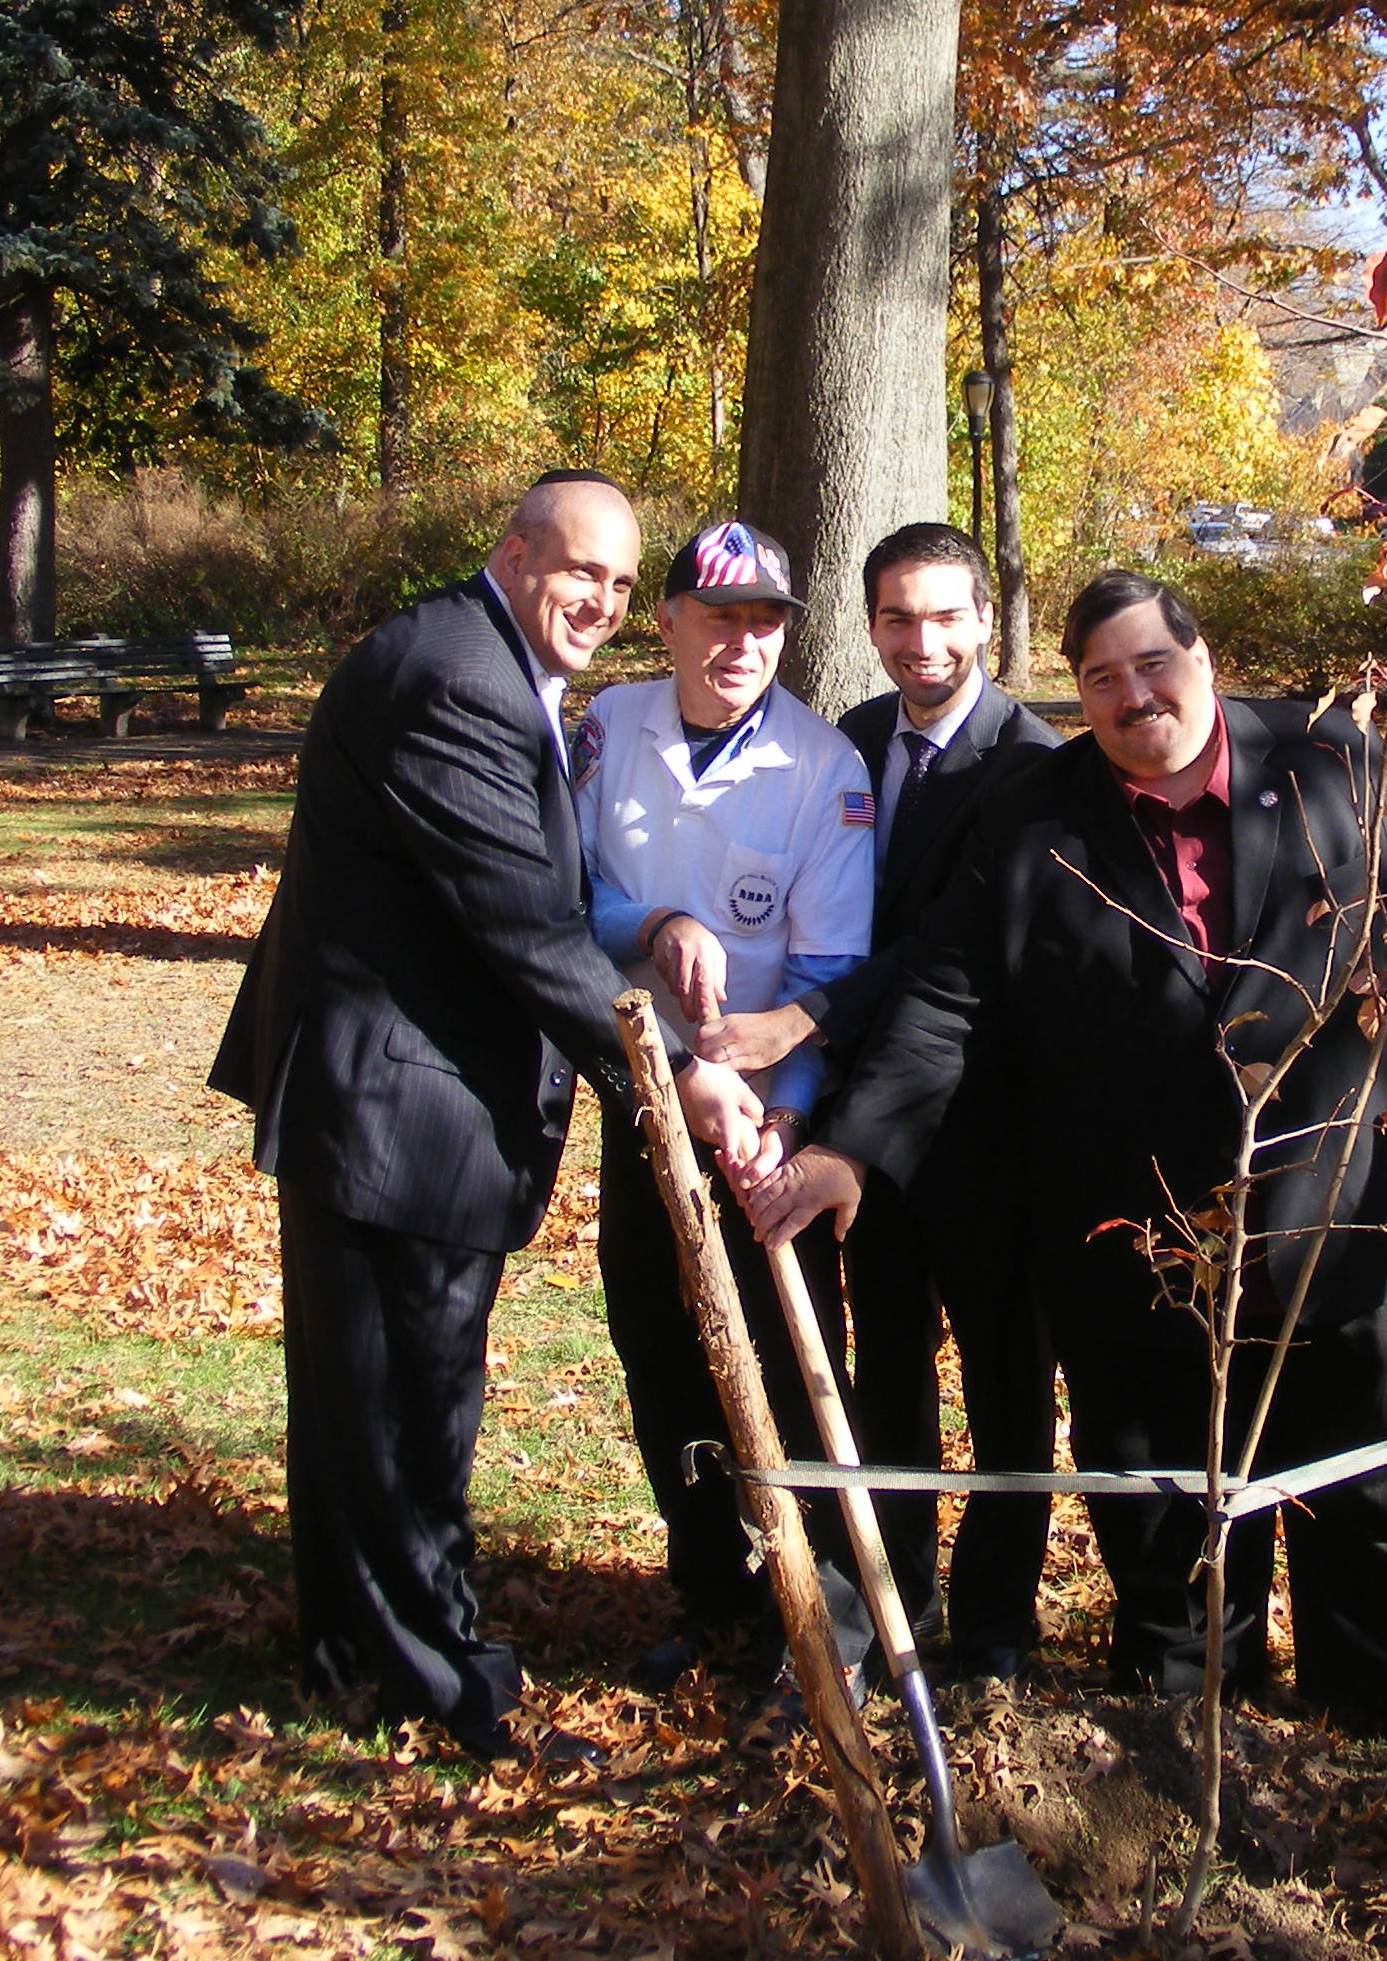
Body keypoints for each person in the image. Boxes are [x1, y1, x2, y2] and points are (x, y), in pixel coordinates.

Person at [745, 568, 1387, 1767]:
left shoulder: (1327, 759)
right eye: (1099, 677)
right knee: (1159, 1488)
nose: (1129, 693)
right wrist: (852, 1148)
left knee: (1372, 1474)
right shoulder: (1035, 815)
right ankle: (1189, 1701)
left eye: (1149, 663)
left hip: (1349, 1191)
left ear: (1199, 657)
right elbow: (947, 995)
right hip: (1138, 1215)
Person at [209, 474, 764, 1764]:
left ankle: (378, 1643)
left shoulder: (487, 663)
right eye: (582, 572)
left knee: (405, 1391)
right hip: (395, 1099)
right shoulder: (452, 675)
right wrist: (669, 1073)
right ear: (514, 553)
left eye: (624, 588)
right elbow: (523, 920)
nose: (602, 604)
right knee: (394, 1399)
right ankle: (416, 1676)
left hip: (423, 1097)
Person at [701, 522, 1059, 1678]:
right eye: (898, 617)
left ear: (985, 621)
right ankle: (887, 1607)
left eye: (946, 614)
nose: (923, 640)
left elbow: (947, 949)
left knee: (1008, 1387)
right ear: (867, 626)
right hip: (865, 1131)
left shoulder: (1035, 764)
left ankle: (996, 1625)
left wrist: (807, 1026)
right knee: (882, 1374)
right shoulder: (848, 746)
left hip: (987, 1127)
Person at [573, 519, 876, 1683]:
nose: (742, 641)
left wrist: (779, 1114)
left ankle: (822, 1620)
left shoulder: (822, 769)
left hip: (762, 1124)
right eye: (719, 615)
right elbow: (573, 891)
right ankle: (709, 1592)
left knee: (793, 1368)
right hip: (643, 1094)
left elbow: (829, 971)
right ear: (668, 620)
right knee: (660, 1344)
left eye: (765, 620)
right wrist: (651, 925)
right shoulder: (610, 728)